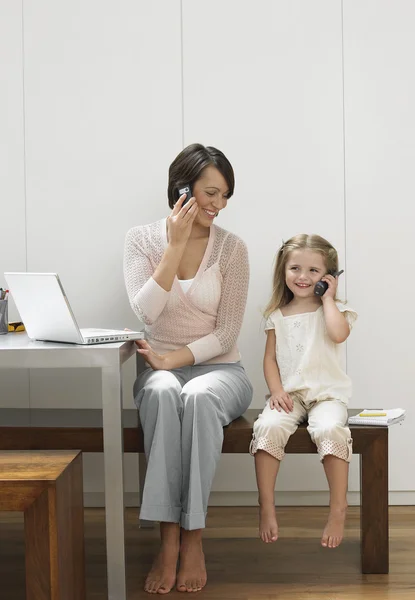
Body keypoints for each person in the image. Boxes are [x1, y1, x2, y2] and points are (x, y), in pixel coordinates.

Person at [124, 143, 253, 594]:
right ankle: (167, 537)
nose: (218, 206)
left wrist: (170, 359)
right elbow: (147, 315)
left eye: (225, 196)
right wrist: (174, 247)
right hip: (160, 372)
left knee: (196, 396)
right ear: (182, 189)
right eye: (210, 194)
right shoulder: (141, 239)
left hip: (221, 373)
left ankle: (192, 537)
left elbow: (227, 332)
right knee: (161, 391)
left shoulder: (232, 249)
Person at [250, 234, 357, 549]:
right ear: (283, 271)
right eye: (295, 268)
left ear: (327, 277)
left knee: (330, 428)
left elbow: (339, 335)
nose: (302, 276)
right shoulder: (277, 316)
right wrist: (276, 390)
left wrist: (327, 299)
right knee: (267, 426)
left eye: (313, 271)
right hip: (291, 395)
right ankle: (266, 504)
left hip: (327, 395)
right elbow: (269, 358)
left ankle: (338, 507)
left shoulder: (334, 310)